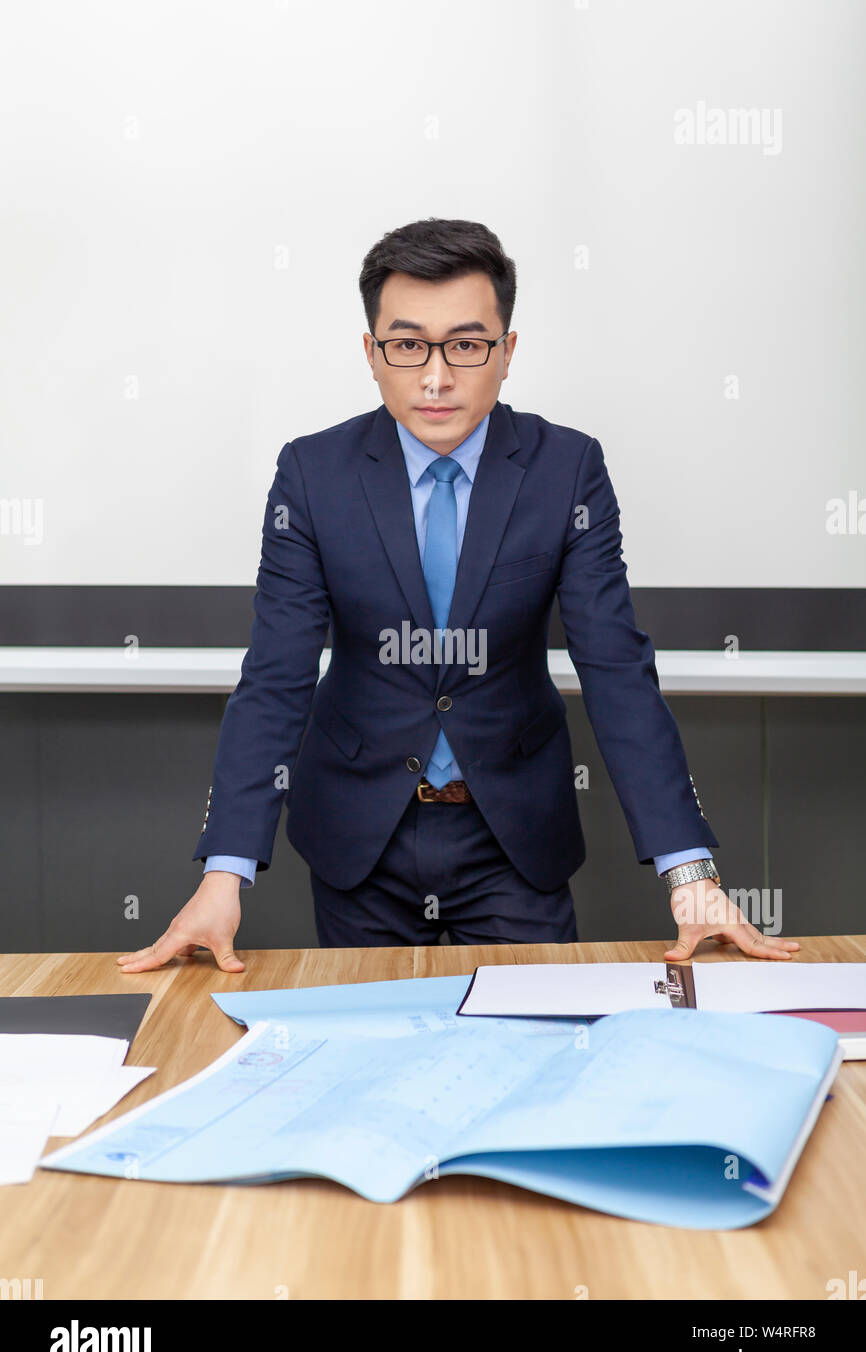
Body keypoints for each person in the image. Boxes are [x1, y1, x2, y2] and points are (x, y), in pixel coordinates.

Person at [117, 218, 799, 972]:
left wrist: (690, 873)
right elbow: (277, 674)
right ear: (371, 354)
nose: (436, 377)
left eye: (466, 345)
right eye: (407, 345)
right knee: (372, 1067)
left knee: (533, 1059)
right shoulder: (314, 474)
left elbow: (615, 668)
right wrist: (226, 871)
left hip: (515, 834)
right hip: (358, 832)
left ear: (507, 353)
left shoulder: (565, 470)